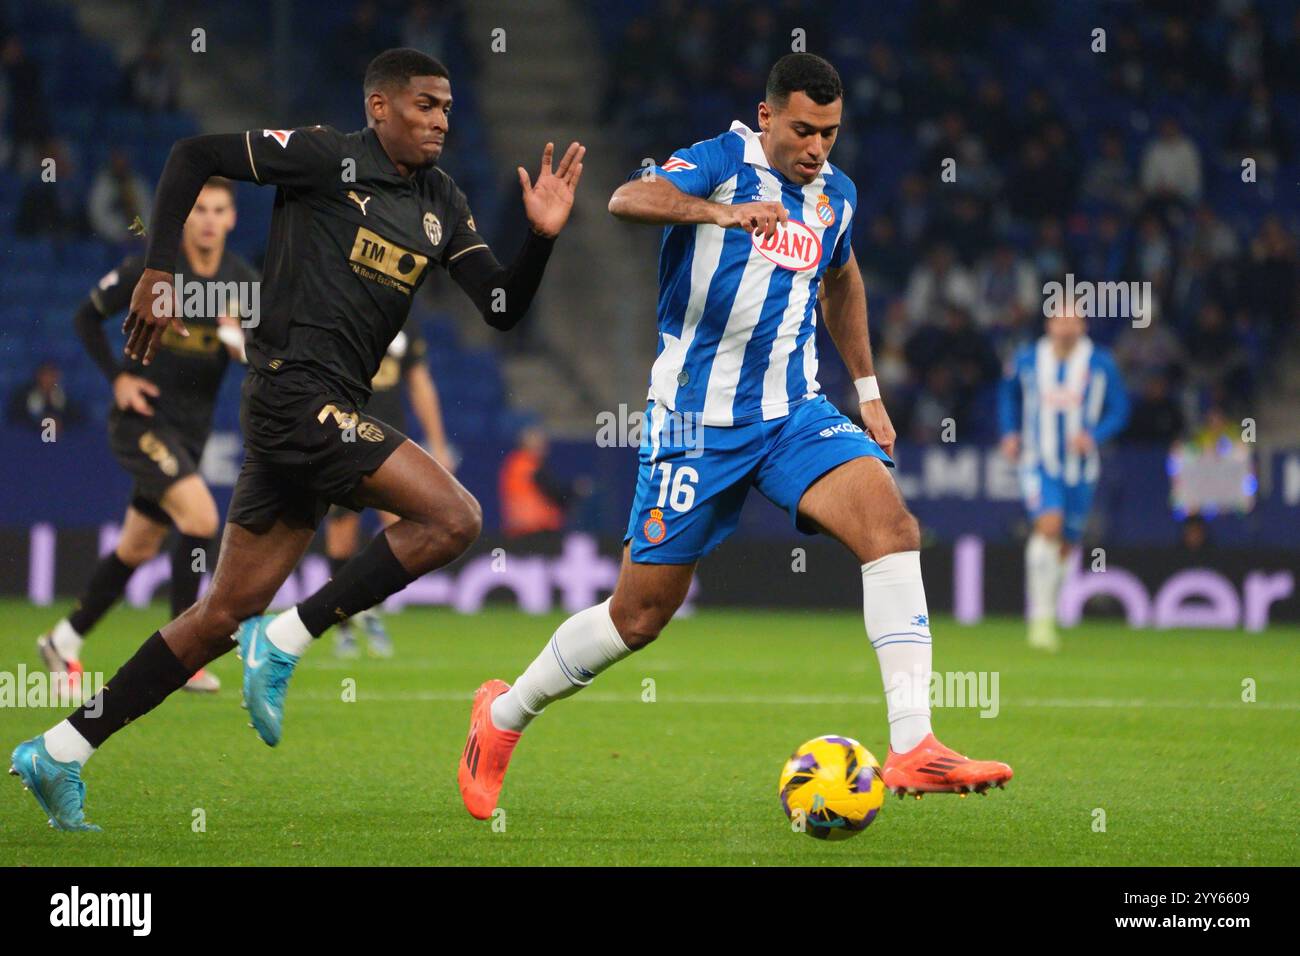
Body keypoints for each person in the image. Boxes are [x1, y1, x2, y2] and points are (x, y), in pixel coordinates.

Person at [10, 48, 583, 831]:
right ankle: (286, 637)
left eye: (448, 106)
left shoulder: (441, 200)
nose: (442, 119)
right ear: (379, 107)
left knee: (218, 614)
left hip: (327, 410)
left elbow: (502, 306)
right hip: (291, 395)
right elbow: (193, 155)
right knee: (454, 519)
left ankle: (61, 750)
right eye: (424, 104)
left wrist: (542, 238)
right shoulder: (324, 156)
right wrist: (157, 268)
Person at [456, 53, 1013, 822]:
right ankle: (504, 716)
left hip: (794, 414)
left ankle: (914, 744)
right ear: (767, 116)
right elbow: (627, 198)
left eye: (831, 133)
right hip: (694, 422)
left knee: (892, 526)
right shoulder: (723, 160)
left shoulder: (836, 198)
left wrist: (871, 393)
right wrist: (722, 212)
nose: (817, 147)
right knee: (639, 616)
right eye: (804, 129)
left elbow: (842, 281)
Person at [36, 177, 254, 695]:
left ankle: (62, 640)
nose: (207, 219)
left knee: (138, 544)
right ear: (186, 218)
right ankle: (183, 655)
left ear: (231, 219)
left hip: (191, 434)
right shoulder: (152, 272)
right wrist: (118, 378)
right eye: (198, 208)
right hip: (142, 424)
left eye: (218, 210)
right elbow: (86, 316)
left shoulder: (242, 283)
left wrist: (240, 341)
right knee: (201, 517)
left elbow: (263, 352)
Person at [998, 305, 1130, 651]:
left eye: (1073, 320)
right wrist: (1010, 432)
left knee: (1068, 542)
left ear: (1083, 325)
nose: (1066, 327)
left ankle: (1048, 613)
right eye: (1060, 320)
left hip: (1081, 468)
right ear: (1049, 324)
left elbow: (1120, 409)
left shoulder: (1101, 363)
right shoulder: (1027, 360)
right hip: (1038, 462)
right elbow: (1007, 395)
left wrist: (1094, 435)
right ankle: (1039, 619)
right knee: (1049, 526)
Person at [324, 317, 452, 658]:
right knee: (342, 536)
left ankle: (371, 608)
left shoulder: (407, 319)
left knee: (398, 529)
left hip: (391, 442)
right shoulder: (346, 308)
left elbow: (420, 381)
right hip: (346, 435)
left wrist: (438, 445)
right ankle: (345, 627)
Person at [6, 361, 82, 431]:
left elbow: (76, 418)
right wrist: (39, 423)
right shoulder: (23, 397)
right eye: (45, 375)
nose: (48, 380)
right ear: (38, 376)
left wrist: (59, 422)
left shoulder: (65, 397)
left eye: (52, 376)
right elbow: (15, 419)